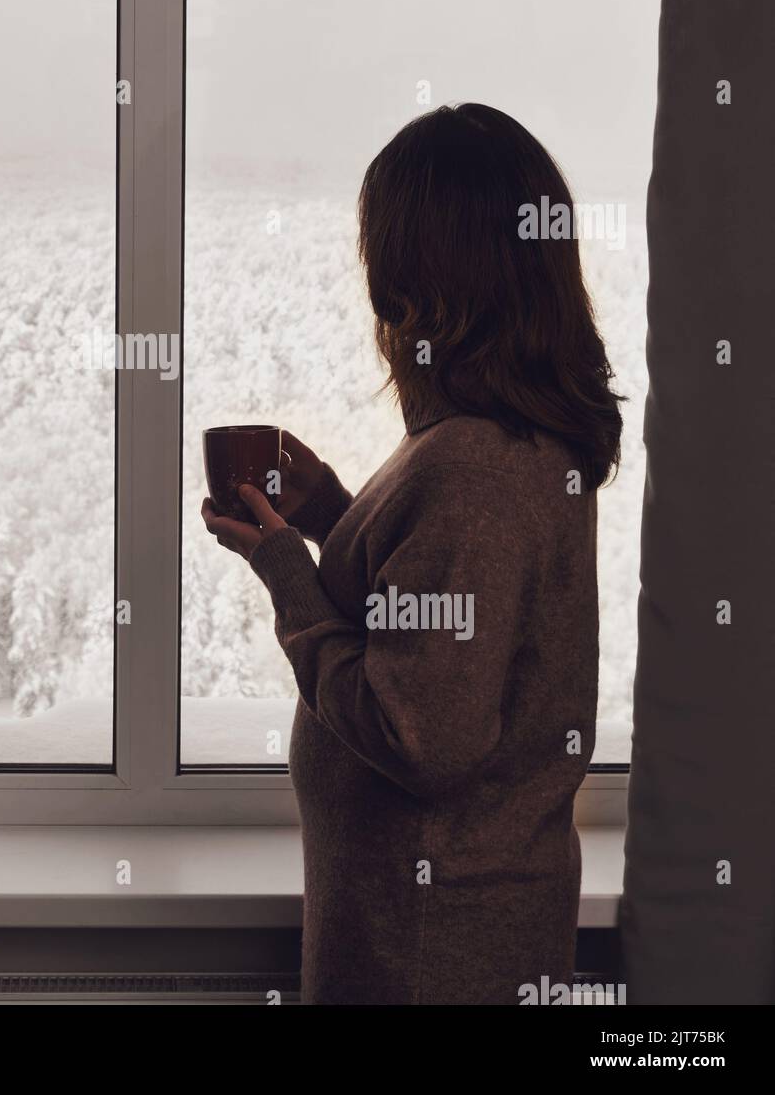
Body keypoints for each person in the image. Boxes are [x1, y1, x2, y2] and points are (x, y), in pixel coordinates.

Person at [202, 103, 621, 1004]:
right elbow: (445, 631)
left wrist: (289, 579)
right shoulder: (507, 446)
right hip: (453, 934)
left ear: (415, 273)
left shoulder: (469, 467)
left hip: (429, 954)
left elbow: (421, 734)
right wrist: (333, 514)